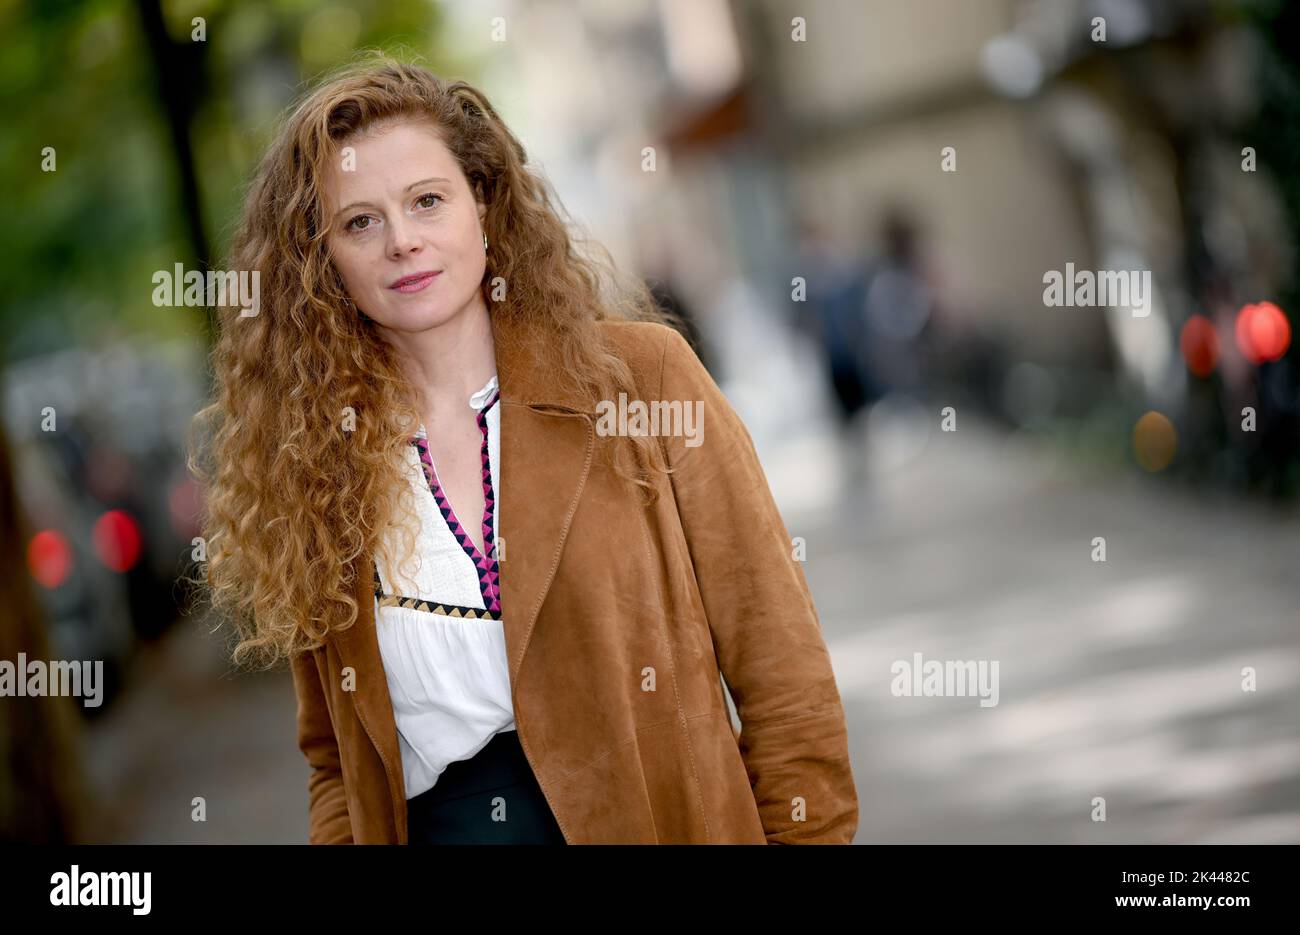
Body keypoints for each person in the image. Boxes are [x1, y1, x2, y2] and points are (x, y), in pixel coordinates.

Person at [188, 56, 857, 845]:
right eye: (360, 221)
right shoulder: (313, 461)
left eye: (427, 201)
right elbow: (335, 761)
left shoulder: (641, 381)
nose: (403, 241)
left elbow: (782, 667)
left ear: (482, 200)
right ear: (320, 258)